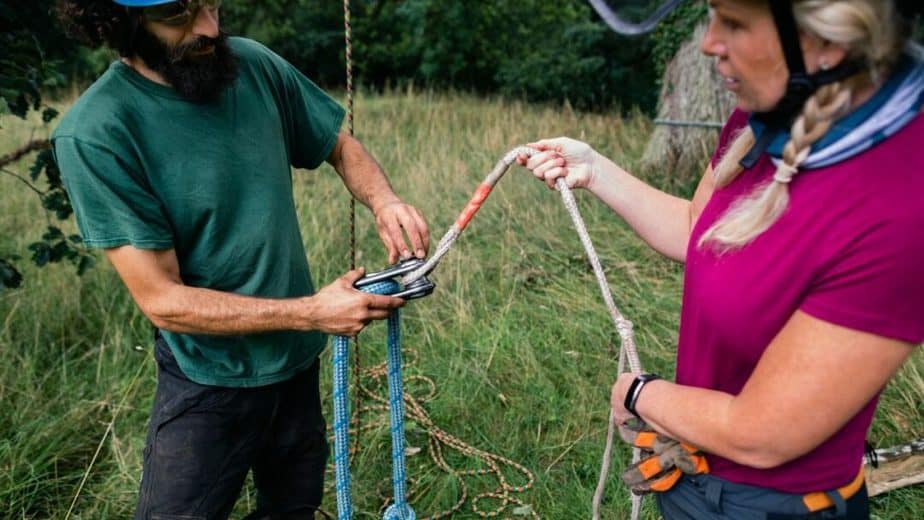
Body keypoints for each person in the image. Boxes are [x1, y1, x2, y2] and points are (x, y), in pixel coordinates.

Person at [519, 1, 923, 518]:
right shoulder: (768, 115)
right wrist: (595, 170)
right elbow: (699, 229)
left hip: (776, 506)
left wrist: (640, 395)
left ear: (828, 42)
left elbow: (764, 432)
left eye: (732, 22)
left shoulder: (903, 205)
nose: (709, 42)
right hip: (689, 473)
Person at [52, 1, 429, 518]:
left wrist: (384, 201)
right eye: (180, 17)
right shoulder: (98, 131)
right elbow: (163, 301)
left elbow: (338, 145)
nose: (210, 27)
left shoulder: (254, 65)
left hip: (296, 367)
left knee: (292, 509)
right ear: (120, 22)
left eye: (211, 3)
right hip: (207, 379)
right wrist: (311, 313)